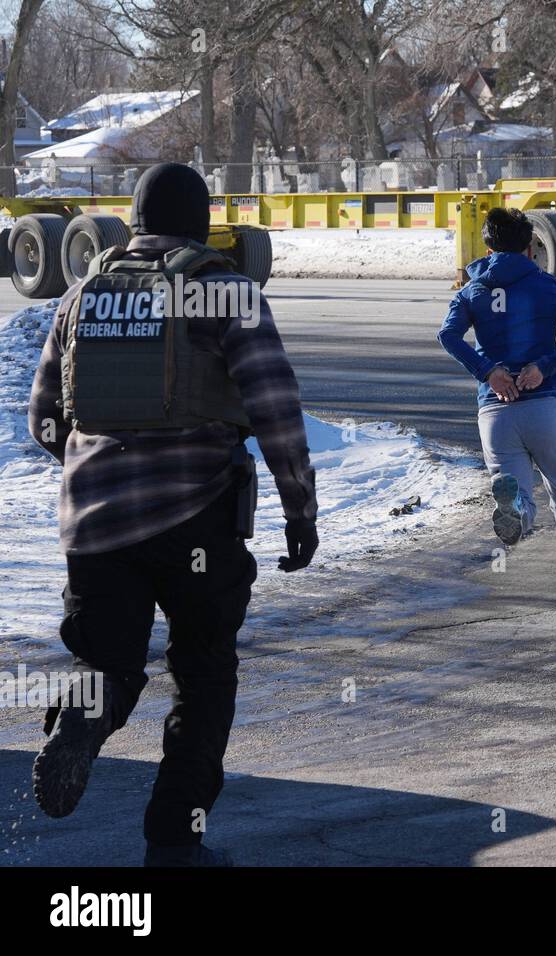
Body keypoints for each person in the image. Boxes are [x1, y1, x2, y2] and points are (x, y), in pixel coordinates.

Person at [26, 162, 319, 866]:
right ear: (203, 223)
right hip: (197, 519)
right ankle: (173, 843)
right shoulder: (225, 292)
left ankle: (83, 716)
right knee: (205, 673)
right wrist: (299, 509)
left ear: (133, 221)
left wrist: (95, 473)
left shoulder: (82, 294)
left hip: (95, 524)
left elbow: (42, 418)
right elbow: (276, 409)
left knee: (110, 660)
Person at [437, 208, 556, 609]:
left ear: (488, 245)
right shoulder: (553, 288)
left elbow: (448, 335)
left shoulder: (471, 291)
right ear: (530, 247)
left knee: (521, 497)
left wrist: (488, 371)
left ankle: (517, 507)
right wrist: (543, 367)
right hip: (543, 407)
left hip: (495, 411)